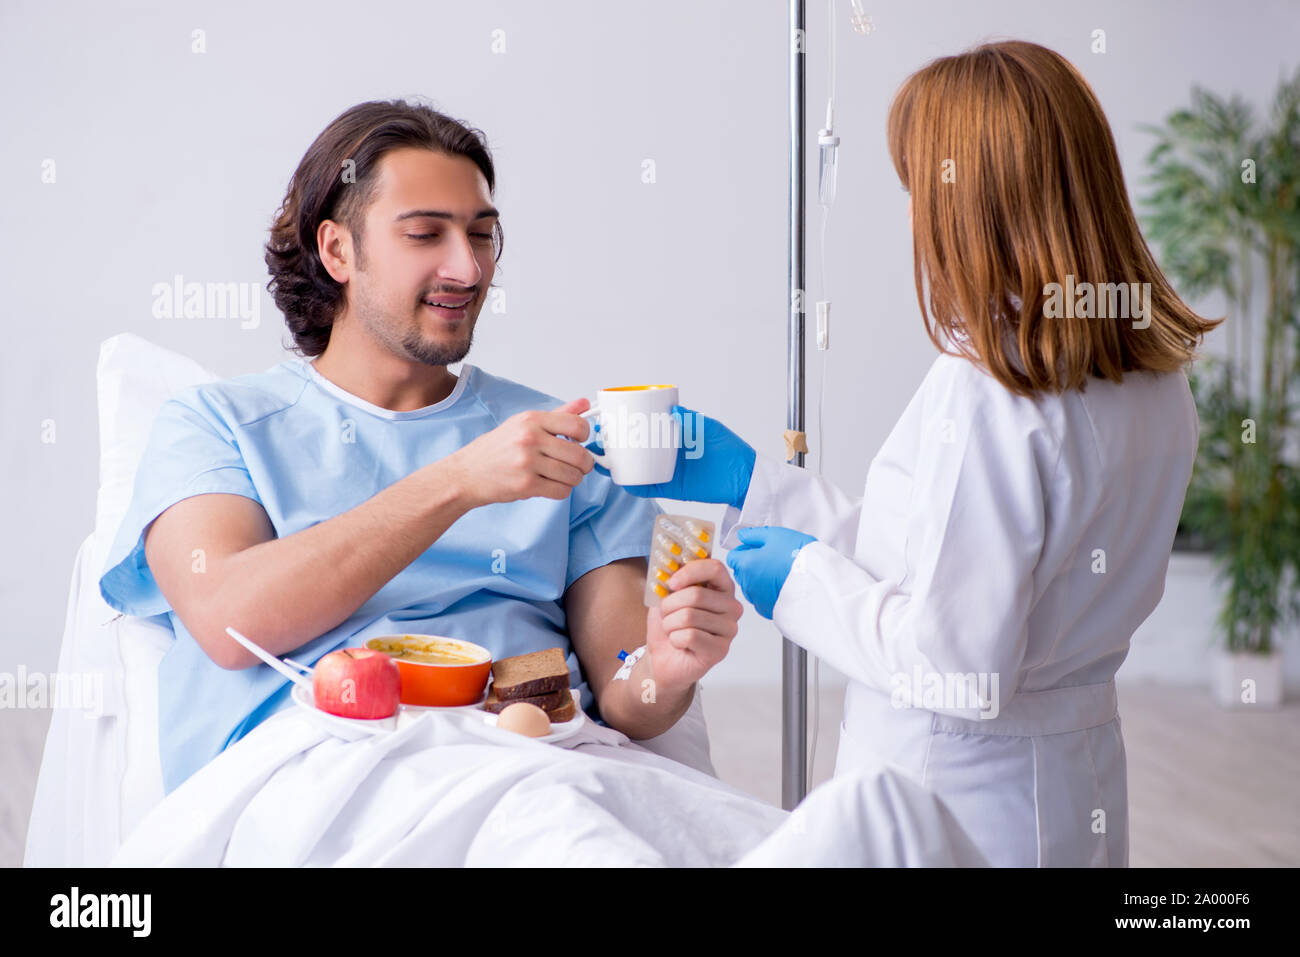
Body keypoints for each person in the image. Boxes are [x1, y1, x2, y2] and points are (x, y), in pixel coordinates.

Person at [603, 41, 1220, 867]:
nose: (910, 217)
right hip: (1076, 777)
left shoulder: (992, 389)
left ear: (973, 200)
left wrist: (804, 584)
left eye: (916, 187)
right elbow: (948, 564)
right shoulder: (1147, 372)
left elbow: (957, 666)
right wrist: (758, 486)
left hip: (958, 789)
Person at [98, 100, 743, 793]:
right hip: (323, 767)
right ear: (337, 250)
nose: (466, 268)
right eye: (425, 234)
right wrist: (462, 479)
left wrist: (667, 668)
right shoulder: (217, 423)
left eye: (482, 234)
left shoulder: (561, 437)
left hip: (540, 763)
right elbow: (230, 621)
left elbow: (626, 691)